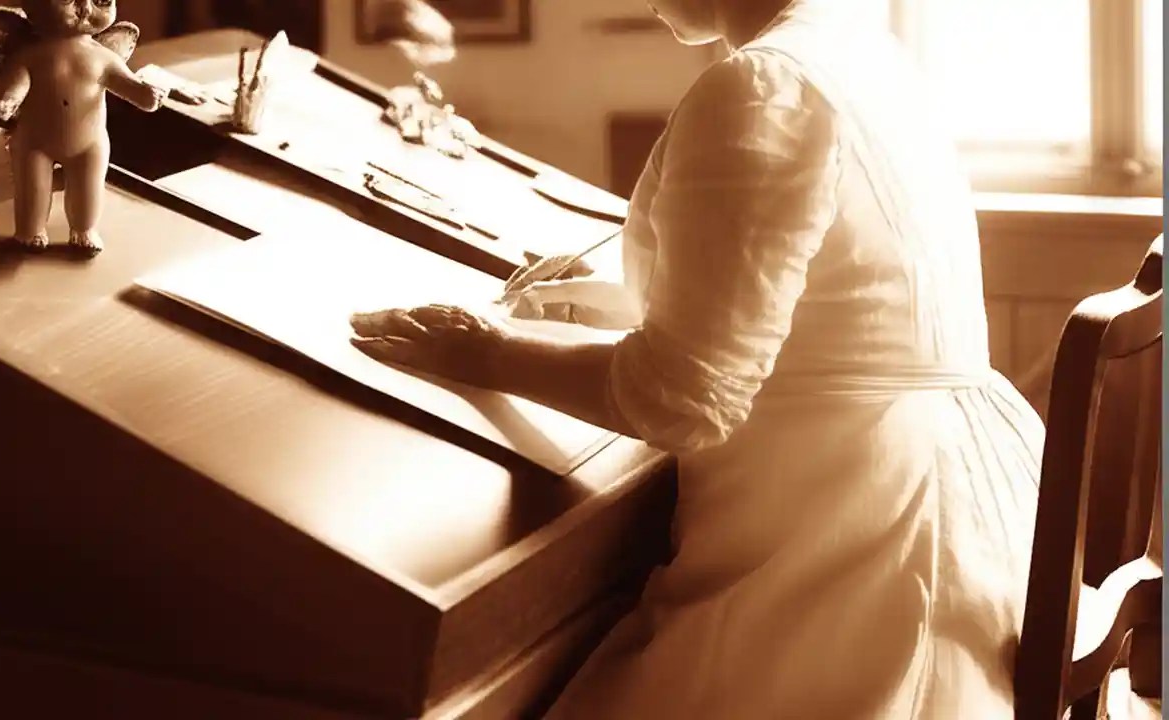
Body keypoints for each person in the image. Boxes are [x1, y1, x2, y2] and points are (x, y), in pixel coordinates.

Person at [349, 0, 1045, 716]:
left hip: (848, 546)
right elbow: (839, 295)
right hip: (968, 499)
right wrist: (618, 298)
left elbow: (681, 399)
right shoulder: (867, 52)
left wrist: (484, 351)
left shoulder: (759, 86)